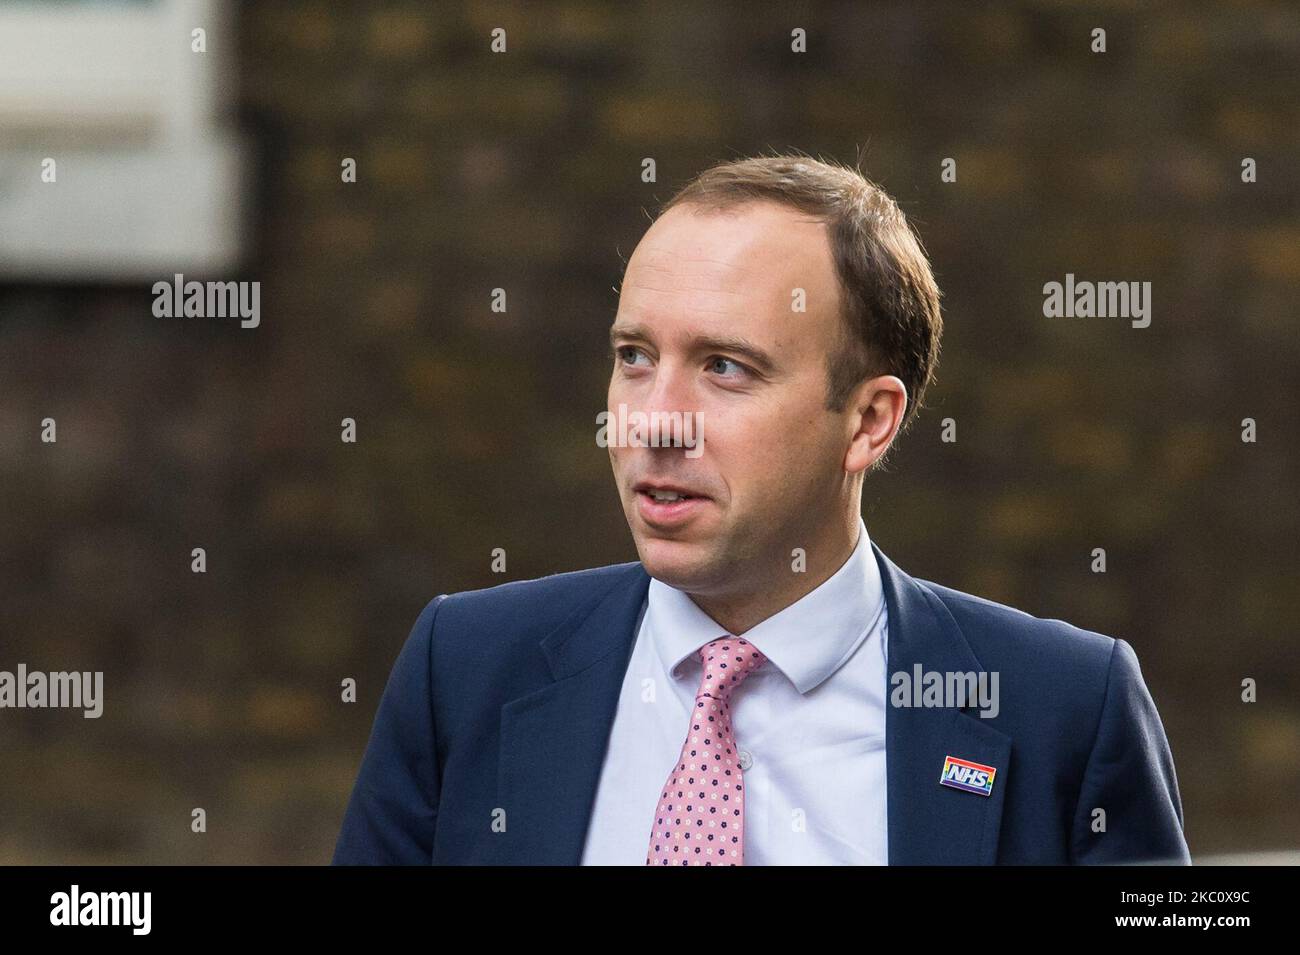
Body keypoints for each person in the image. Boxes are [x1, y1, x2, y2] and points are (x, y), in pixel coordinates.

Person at [332, 154, 1190, 865]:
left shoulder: (1064, 712)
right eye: (634, 357)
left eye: (726, 367)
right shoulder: (467, 671)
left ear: (867, 421)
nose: (653, 418)